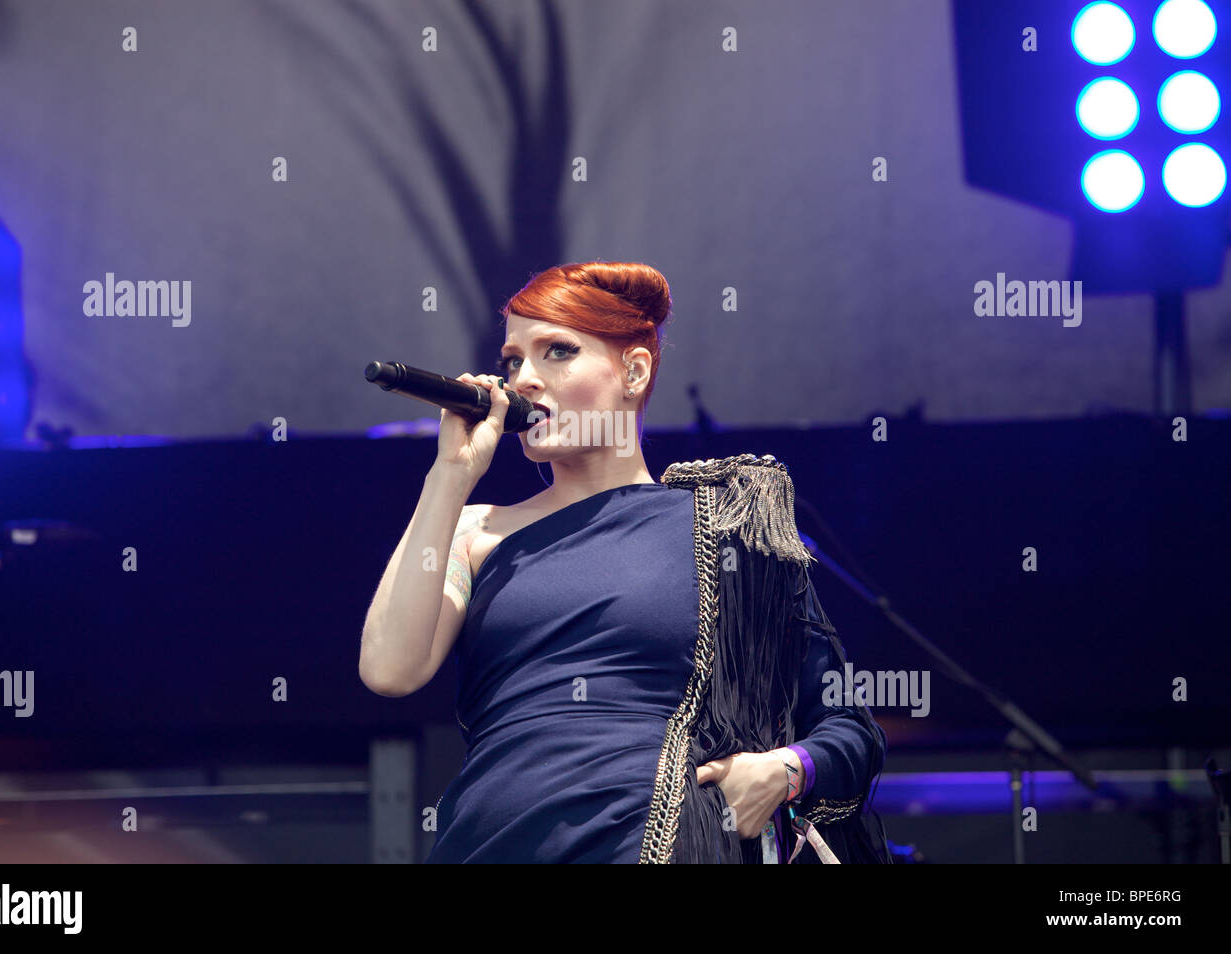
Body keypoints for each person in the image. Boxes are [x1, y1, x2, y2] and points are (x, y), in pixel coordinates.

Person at [359, 261, 889, 863]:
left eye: (557, 351)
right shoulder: (473, 529)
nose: (524, 379)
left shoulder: (728, 523)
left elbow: (849, 726)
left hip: (653, 845)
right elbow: (390, 669)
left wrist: (784, 771)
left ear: (633, 371)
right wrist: (450, 474)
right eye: (512, 360)